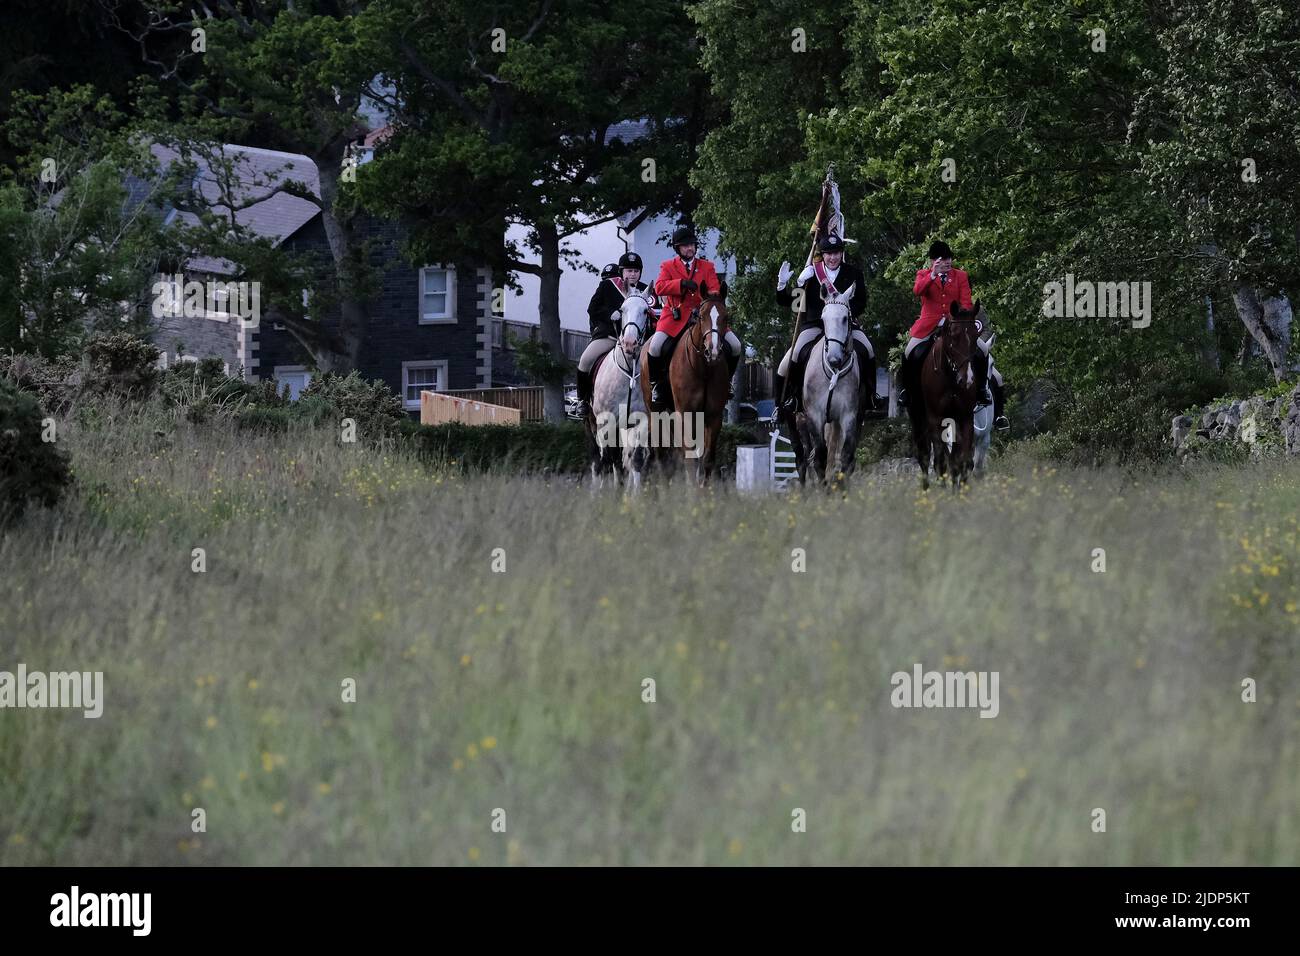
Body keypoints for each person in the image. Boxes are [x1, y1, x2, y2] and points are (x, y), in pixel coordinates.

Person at [896, 240, 1009, 430]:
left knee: (982, 351)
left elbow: (965, 302)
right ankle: (907, 392)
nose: (947, 262)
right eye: (942, 259)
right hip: (928, 325)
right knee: (908, 352)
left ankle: (982, 390)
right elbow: (918, 291)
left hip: (955, 324)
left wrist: (958, 319)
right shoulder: (923, 274)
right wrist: (932, 275)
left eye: (949, 258)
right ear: (933, 261)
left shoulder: (961, 276)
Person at [773, 234, 882, 422]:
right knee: (791, 358)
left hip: (844, 324)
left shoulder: (853, 273)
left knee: (868, 349)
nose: (833, 258)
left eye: (837, 253)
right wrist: (784, 285)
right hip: (815, 325)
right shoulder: (810, 274)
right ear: (822, 254)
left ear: (842, 254)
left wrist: (845, 311)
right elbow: (795, 305)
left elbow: (861, 302)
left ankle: (872, 395)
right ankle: (788, 401)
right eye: (829, 254)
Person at [646, 226, 740, 407]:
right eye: (685, 246)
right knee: (655, 346)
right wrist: (680, 283)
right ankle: (656, 385)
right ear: (677, 248)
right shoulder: (668, 266)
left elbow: (714, 287)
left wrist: (711, 296)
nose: (690, 248)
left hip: (703, 316)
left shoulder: (707, 266)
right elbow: (659, 288)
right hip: (675, 317)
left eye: (692, 245)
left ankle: (727, 383)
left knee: (735, 345)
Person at [574, 253, 657, 418]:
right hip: (610, 337)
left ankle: (658, 394)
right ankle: (582, 400)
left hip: (640, 342)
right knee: (585, 360)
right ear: (621, 272)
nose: (632, 274)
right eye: (628, 271)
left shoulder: (647, 291)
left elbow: (656, 313)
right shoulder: (608, 286)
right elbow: (593, 308)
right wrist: (610, 314)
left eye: (635, 271)